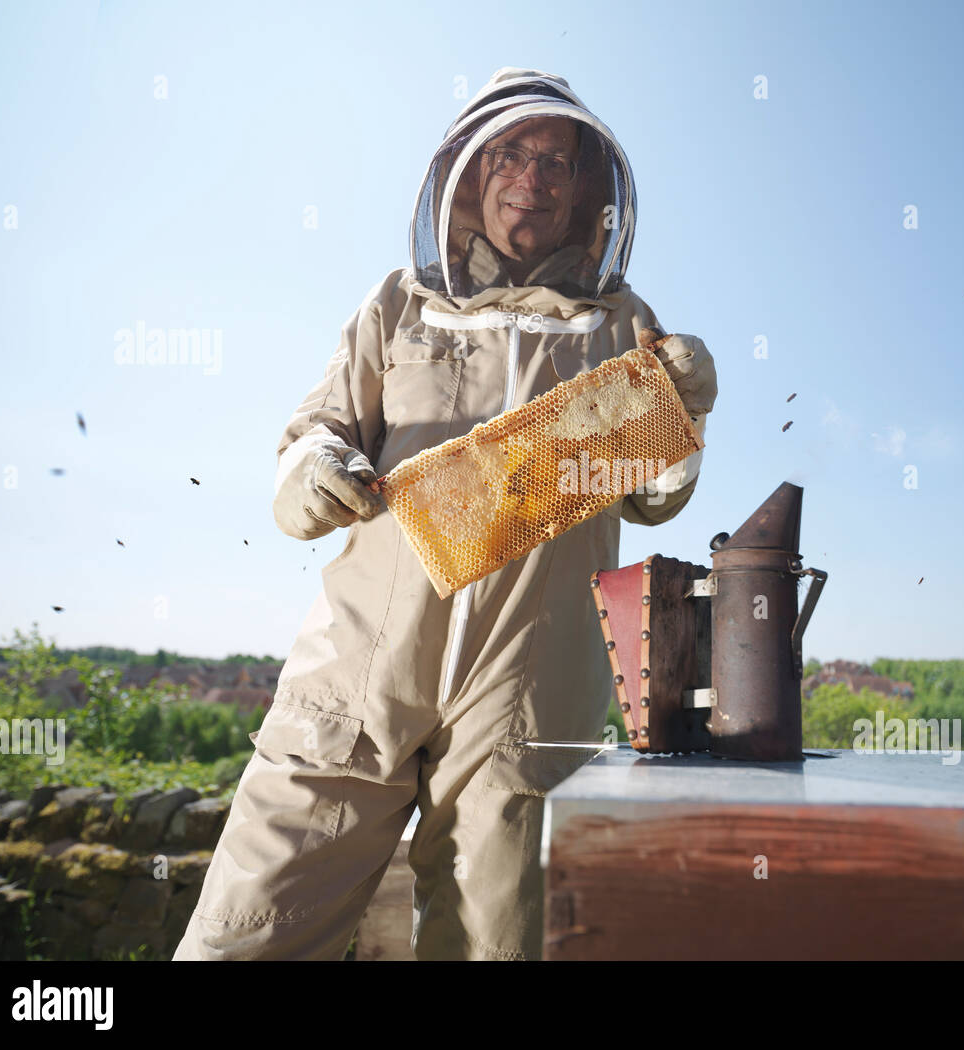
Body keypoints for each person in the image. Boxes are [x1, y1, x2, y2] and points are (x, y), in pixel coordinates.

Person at [173, 67, 717, 961]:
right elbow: (311, 438)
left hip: (531, 691)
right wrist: (310, 469)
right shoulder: (395, 306)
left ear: (587, 189)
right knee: (246, 931)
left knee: (494, 946)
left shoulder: (620, 324)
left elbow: (656, 501)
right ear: (466, 170)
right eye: (510, 154)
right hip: (360, 672)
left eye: (556, 161)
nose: (532, 178)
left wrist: (684, 414)